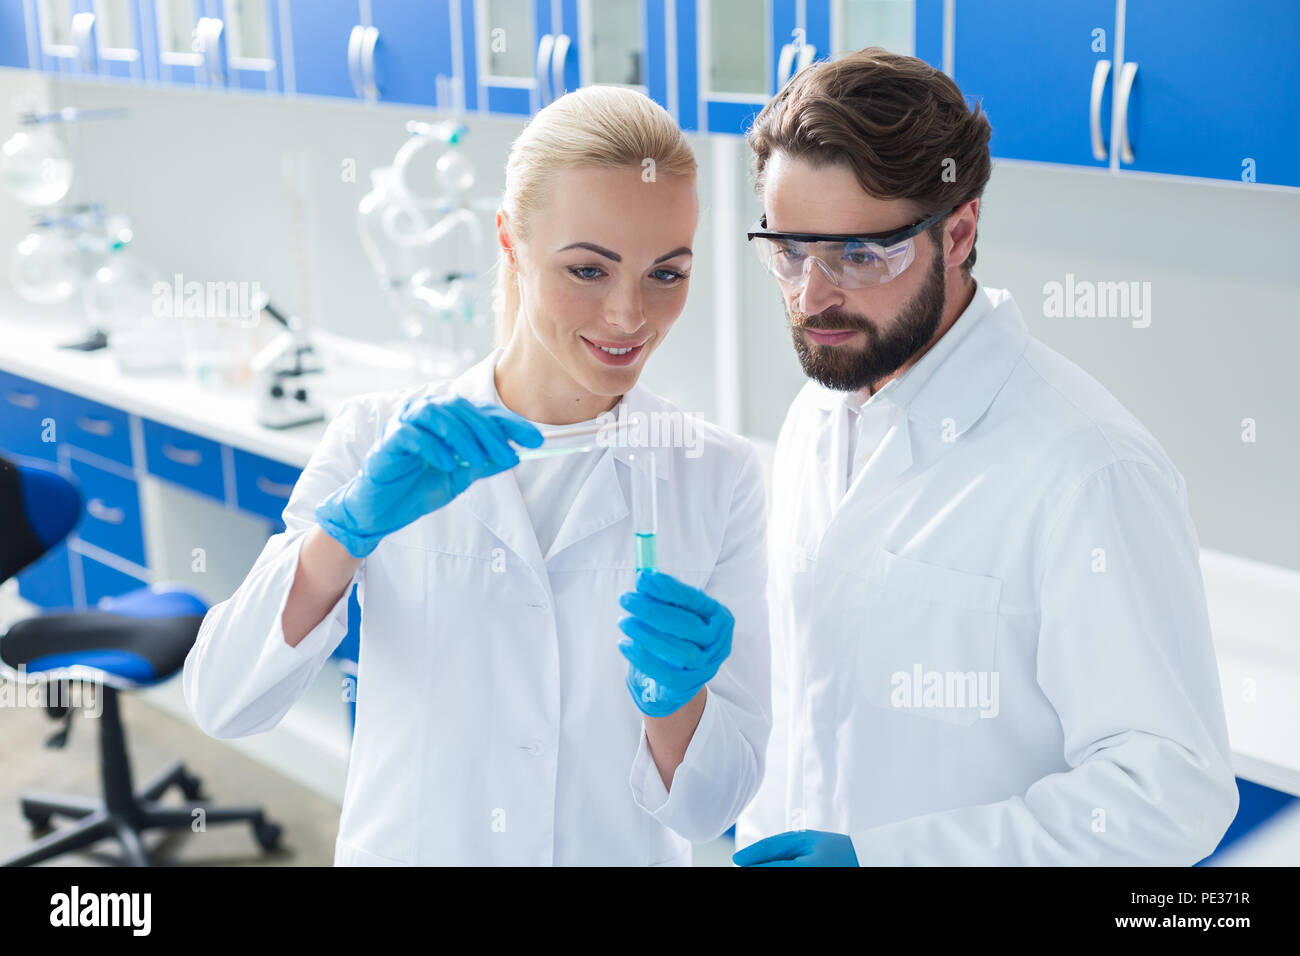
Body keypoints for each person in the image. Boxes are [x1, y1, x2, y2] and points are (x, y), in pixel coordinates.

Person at [183, 86, 770, 866]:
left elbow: (712, 810)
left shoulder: (718, 476)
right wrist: (342, 539)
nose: (629, 315)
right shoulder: (377, 440)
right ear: (510, 242)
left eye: (667, 274)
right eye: (588, 269)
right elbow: (223, 701)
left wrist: (677, 705)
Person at [732, 48, 1237, 866]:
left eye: (859, 255)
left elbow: (1169, 794)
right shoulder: (817, 414)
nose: (811, 296)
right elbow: (804, 705)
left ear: (958, 232)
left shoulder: (1088, 469)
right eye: (788, 251)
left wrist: (886, 861)